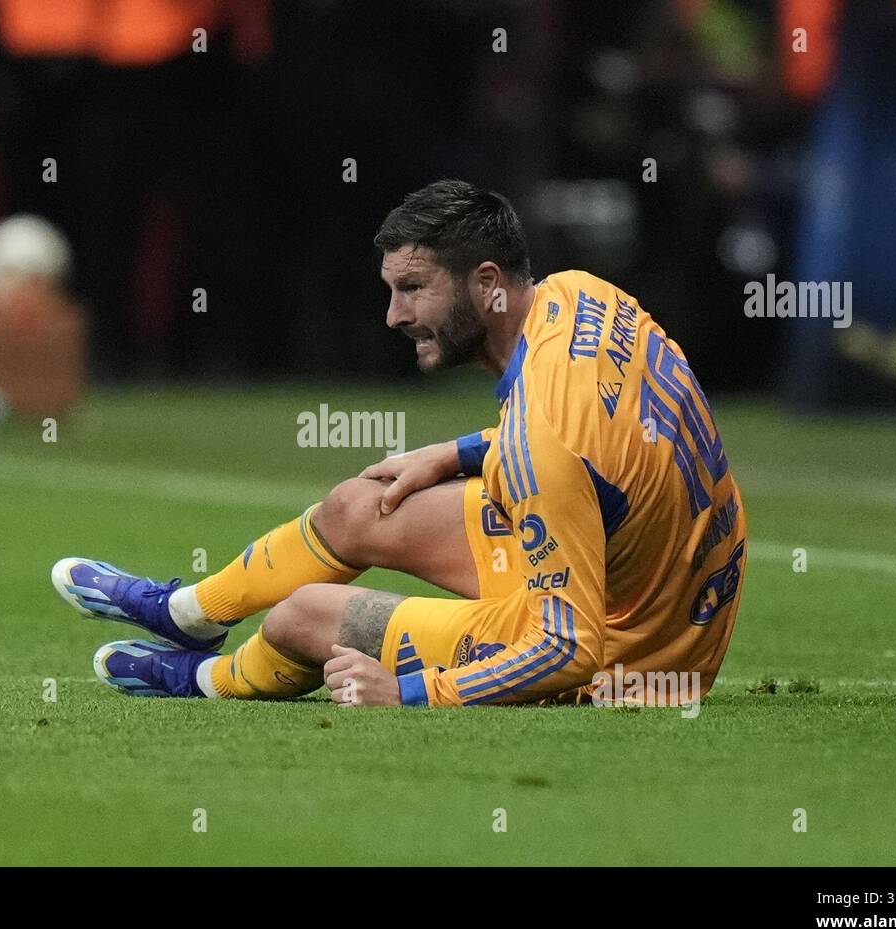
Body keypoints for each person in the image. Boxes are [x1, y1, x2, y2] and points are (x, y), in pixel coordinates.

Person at [51, 180, 747, 708]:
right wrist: (455, 452)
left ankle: (207, 680)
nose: (394, 316)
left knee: (302, 616)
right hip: (664, 578)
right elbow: (608, 436)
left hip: (634, 662)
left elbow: (568, 648)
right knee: (362, 504)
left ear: (486, 285)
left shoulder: (543, 443)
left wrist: (412, 693)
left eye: (413, 290)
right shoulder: (580, 295)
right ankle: (190, 613)